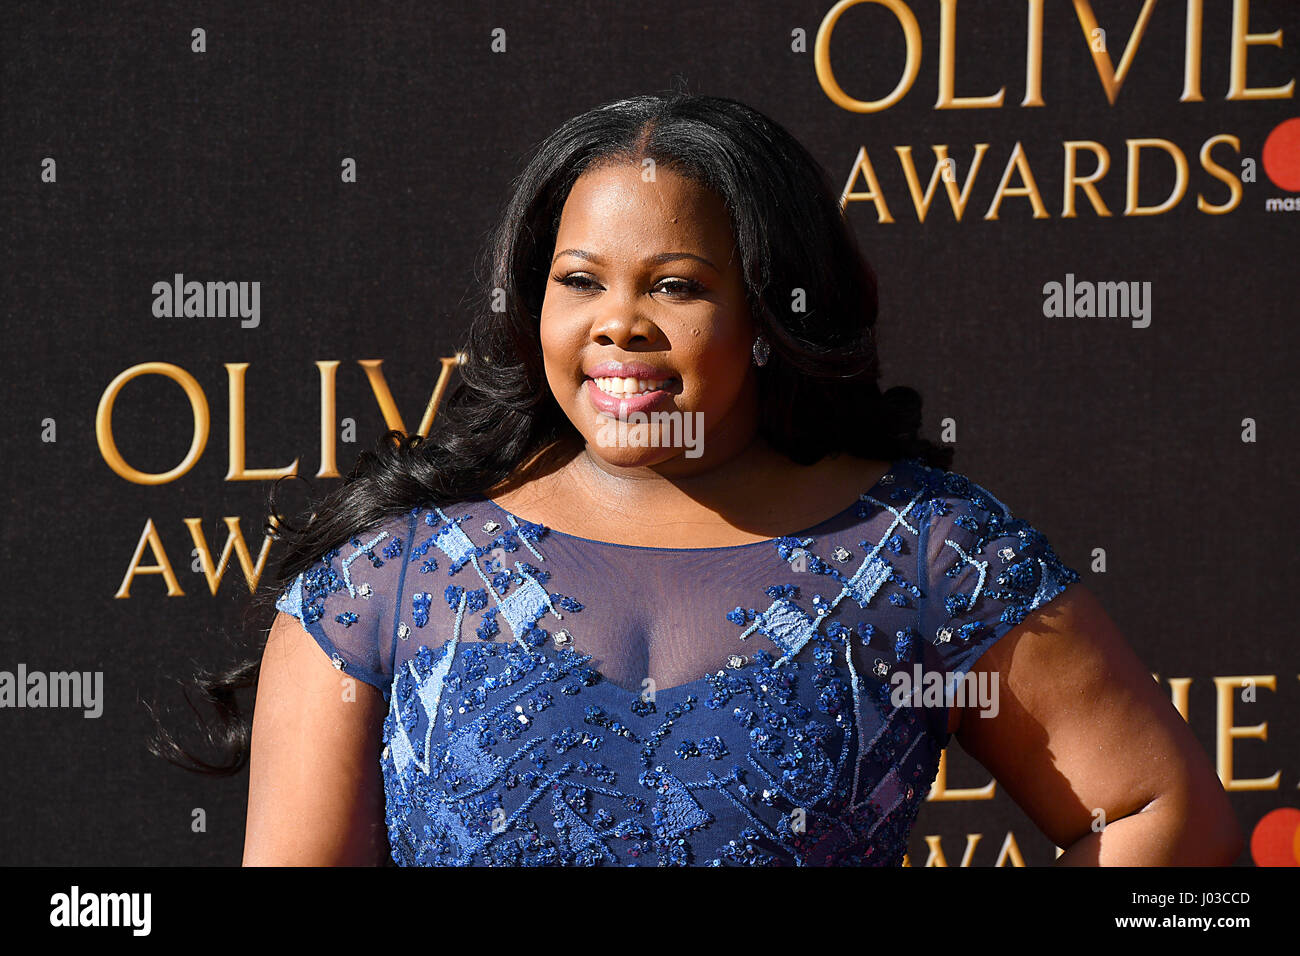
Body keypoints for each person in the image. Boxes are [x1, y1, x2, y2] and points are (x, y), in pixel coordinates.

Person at [158, 89, 1242, 867]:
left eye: (674, 284)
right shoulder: (380, 583)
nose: (618, 322)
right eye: (579, 279)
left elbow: (1163, 814)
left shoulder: (919, 552)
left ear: (773, 313)